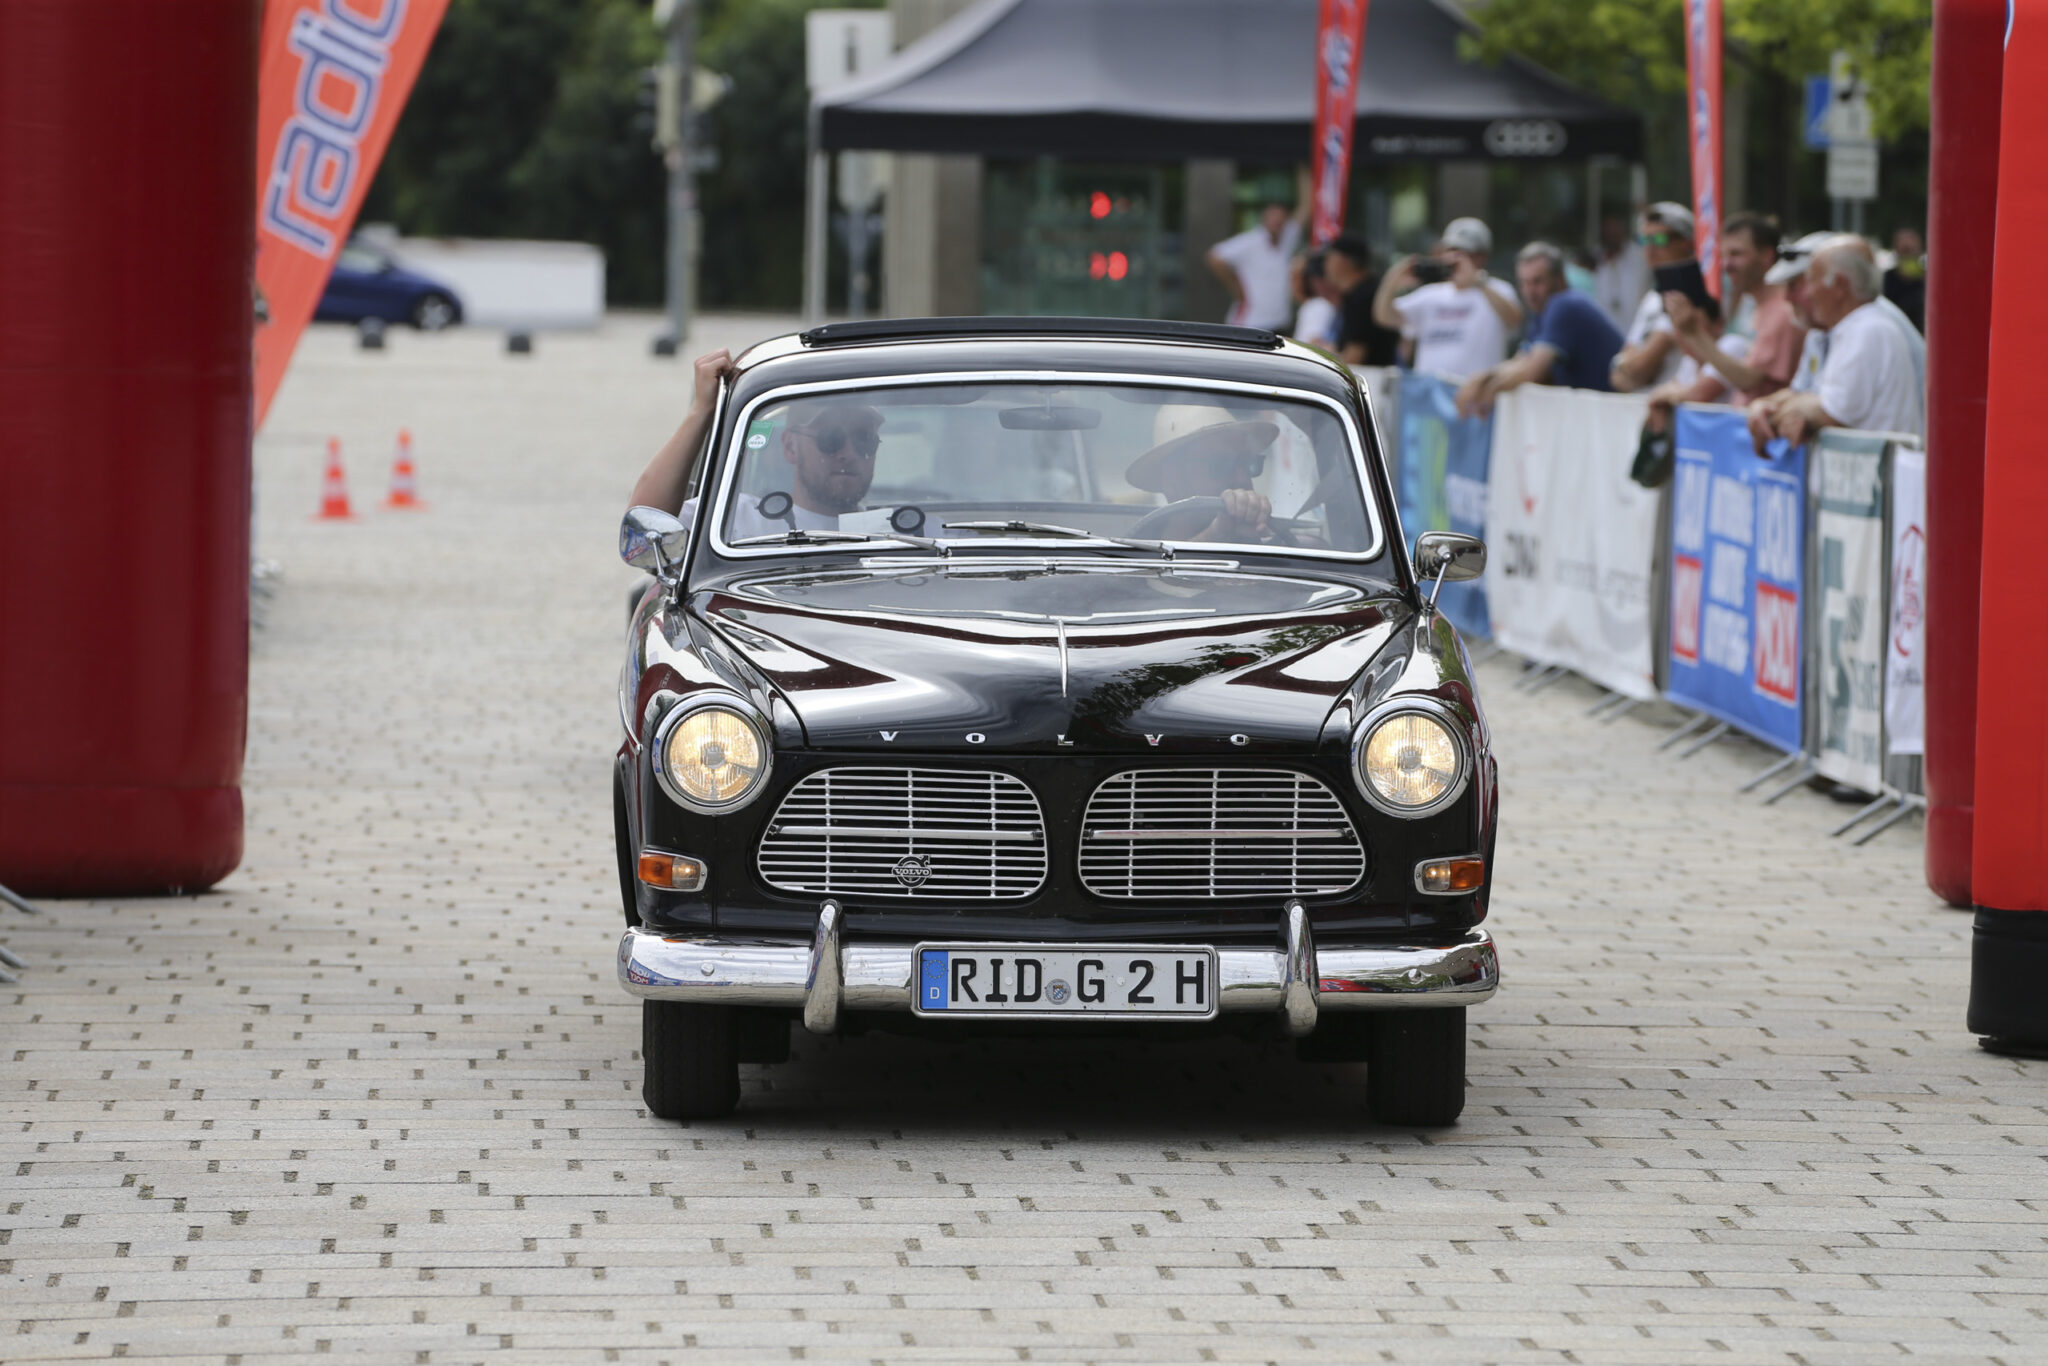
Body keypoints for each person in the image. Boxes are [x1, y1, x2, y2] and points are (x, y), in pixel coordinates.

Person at [629, 349, 888, 539]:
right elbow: (645, 523)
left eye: (864, 440)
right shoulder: (737, 520)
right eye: (830, 439)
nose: (849, 453)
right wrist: (702, 410)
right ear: (790, 447)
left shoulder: (898, 530)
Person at [1754, 236, 1924, 445]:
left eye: (1812, 280)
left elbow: (1830, 412)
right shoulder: (1851, 327)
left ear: (1840, 285)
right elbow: (1811, 397)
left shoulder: (1867, 329)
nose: (1809, 292)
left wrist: (1789, 412)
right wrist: (1770, 406)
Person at [1455, 242, 1623, 416]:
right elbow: (1521, 361)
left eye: (1537, 282)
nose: (1530, 291)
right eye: (1524, 283)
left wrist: (1486, 390)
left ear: (1560, 280)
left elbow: (1531, 371)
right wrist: (1481, 380)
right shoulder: (1542, 312)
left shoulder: (1565, 304)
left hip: (1613, 418)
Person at [1666, 212, 1804, 404]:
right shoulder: (1754, 306)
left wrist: (1695, 333)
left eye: (1736, 254)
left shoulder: (1781, 310)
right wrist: (1690, 335)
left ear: (1767, 255)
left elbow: (1750, 380)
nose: (1725, 265)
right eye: (1723, 255)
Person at [1370, 217, 1523, 380]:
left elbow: (1514, 320)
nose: (1453, 259)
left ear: (1481, 257)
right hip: (1430, 395)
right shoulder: (1430, 294)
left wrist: (1477, 281)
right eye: (1450, 251)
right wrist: (1391, 282)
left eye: (1464, 253)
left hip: (1474, 397)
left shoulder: (1497, 288)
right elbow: (1384, 317)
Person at [1608, 202, 1698, 392]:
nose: (1649, 249)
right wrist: (1627, 365)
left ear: (1686, 242)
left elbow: (1640, 369)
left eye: (1658, 240)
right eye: (1644, 240)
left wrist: (1628, 364)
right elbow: (1617, 377)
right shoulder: (1653, 297)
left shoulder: (1692, 294)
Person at [1206, 176, 1310, 331]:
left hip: (1279, 322)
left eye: (1280, 218)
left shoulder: (1287, 238)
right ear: (1264, 218)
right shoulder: (1250, 241)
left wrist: (1303, 166)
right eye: (1273, 217)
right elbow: (1214, 257)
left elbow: (1306, 208)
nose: (1276, 222)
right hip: (1250, 323)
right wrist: (1237, 289)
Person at [1324, 233, 1401, 366]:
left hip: (1371, 380)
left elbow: (1354, 357)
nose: (1325, 264)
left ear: (1343, 261)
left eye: (1329, 257)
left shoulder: (1363, 298)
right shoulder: (1360, 293)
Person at [1591, 212, 1650, 332]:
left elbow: (1647, 240)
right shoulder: (1595, 259)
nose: (1612, 236)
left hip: (1635, 330)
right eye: (1608, 233)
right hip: (1605, 330)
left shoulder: (1638, 255)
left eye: (1615, 232)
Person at [1289, 250, 1341, 351]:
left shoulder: (1318, 306)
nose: (1292, 283)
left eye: (1295, 277)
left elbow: (1314, 345)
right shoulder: (1318, 306)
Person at [1884, 226, 1926, 332]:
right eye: (1905, 252)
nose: (1908, 258)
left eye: (1911, 251)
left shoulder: (1928, 281)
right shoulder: (1887, 279)